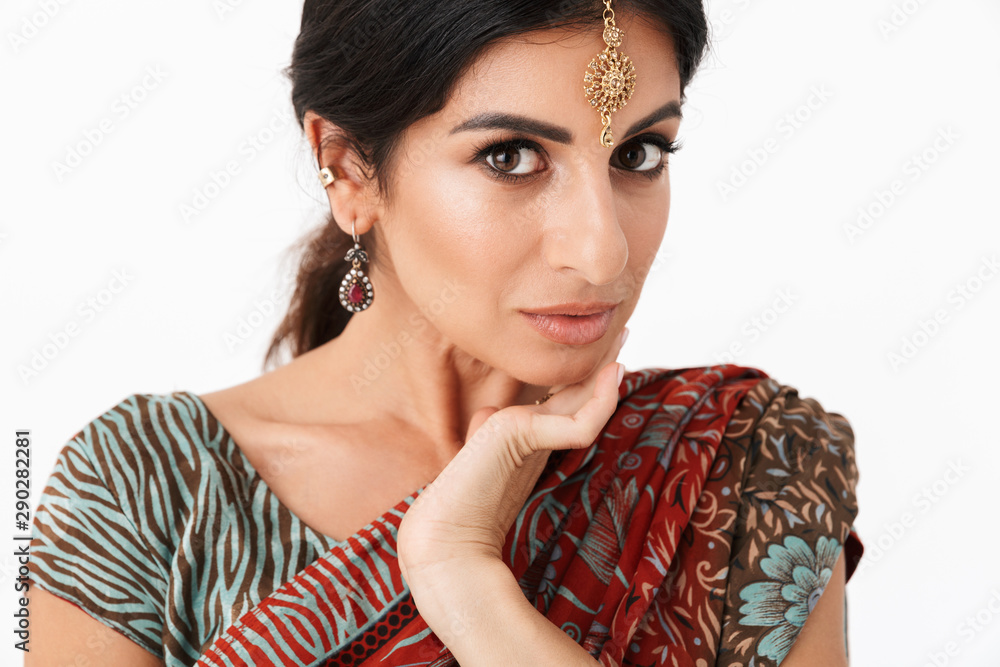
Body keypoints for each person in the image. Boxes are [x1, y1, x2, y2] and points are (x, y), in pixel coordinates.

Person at [27, 0, 862, 665]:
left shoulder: (740, 464)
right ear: (350, 168)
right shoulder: (148, 492)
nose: (602, 247)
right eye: (511, 156)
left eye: (639, 153)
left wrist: (463, 579)